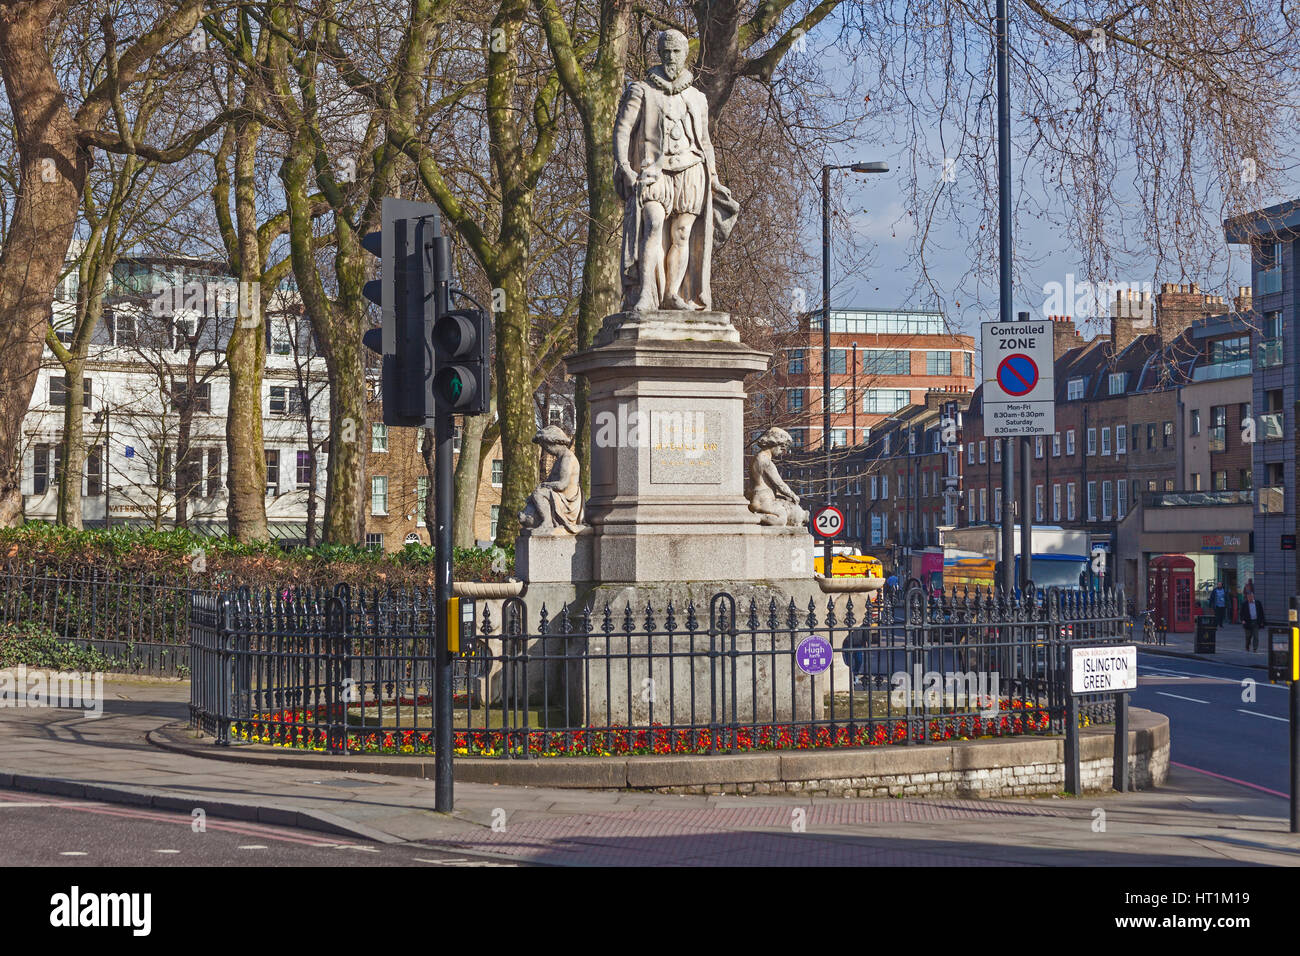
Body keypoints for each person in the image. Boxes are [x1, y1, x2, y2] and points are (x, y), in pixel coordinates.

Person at [1240, 582, 1265, 653]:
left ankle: (1255, 648)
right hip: (1247, 622)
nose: (1249, 598)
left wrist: (1262, 621)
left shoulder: (1257, 603)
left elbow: (1261, 613)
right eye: (1248, 597)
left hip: (1255, 621)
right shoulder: (1244, 604)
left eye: (1251, 597)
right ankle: (1247, 646)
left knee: (1256, 636)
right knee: (1248, 636)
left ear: (1253, 596)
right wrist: (1242, 620)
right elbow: (1241, 613)